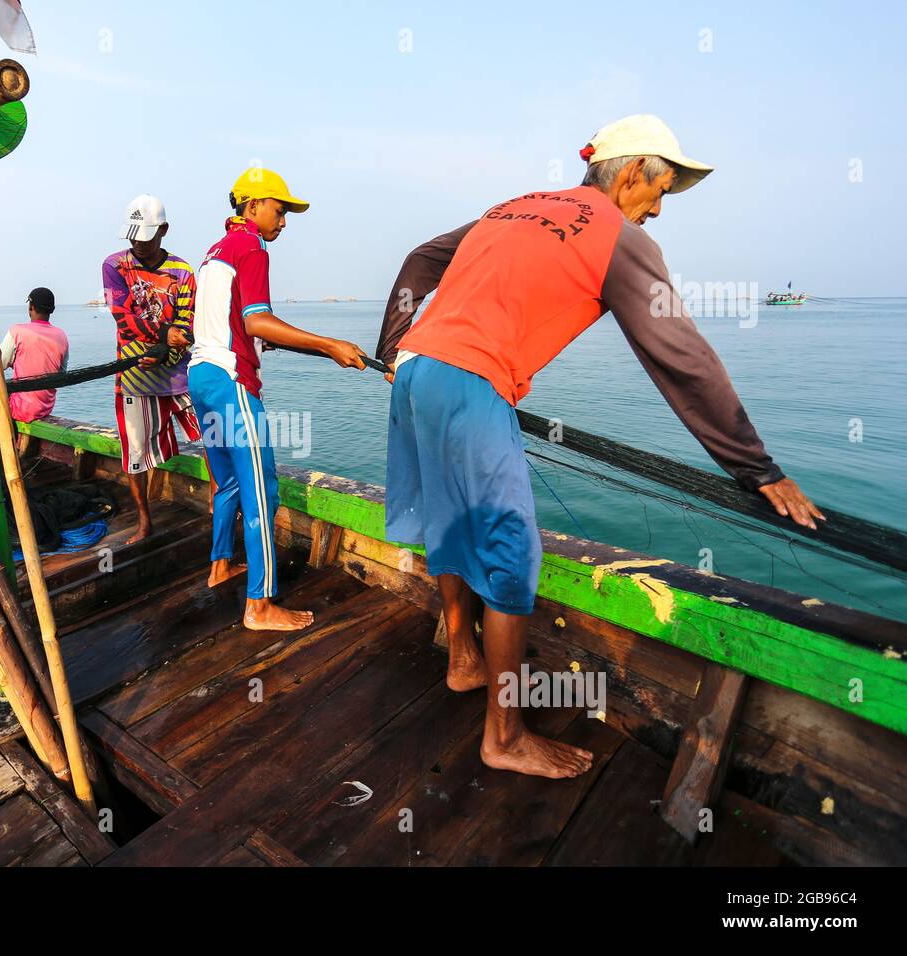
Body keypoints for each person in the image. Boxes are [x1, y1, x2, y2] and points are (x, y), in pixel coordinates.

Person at [376, 114, 825, 779]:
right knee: (510, 550)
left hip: (415, 370)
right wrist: (756, 467)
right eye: (663, 189)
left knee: (449, 515)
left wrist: (393, 342)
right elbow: (683, 357)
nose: (660, 209)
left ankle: (463, 660)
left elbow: (420, 258)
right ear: (636, 170)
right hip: (470, 380)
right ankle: (503, 736)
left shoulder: (515, 207)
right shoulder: (618, 235)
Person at [189, 168, 366, 631]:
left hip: (200, 377)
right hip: (231, 383)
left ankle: (219, 566)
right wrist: (329, 345)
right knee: (262, 493)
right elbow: (256, 322)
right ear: (252, 207)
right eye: (279, 208)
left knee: (226, 483)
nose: (283, 220)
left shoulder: (213, 253)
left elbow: (235, 324)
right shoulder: (251, 247)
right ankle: (260, 605)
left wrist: (315, 347)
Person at [102, 196, 199, 542]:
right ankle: (145, 522)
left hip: (180, 376)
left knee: (216, 440)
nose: (138, 244)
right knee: (135, 456)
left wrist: (165, 352)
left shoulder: (183, 272)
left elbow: (187, 324)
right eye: (133, 236)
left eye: (145, 236)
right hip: (135, 379)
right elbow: (122, 317)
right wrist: (161, 337)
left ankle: (223, 510)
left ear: (163, 230)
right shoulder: (115, 265)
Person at [2, 288, 69, 449]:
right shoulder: (62, 336)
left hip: (20, 409)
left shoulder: (17, 331)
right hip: (45, 407)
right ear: (52, 310)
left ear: (30, 307)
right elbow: (61, 375)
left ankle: (1, 440)